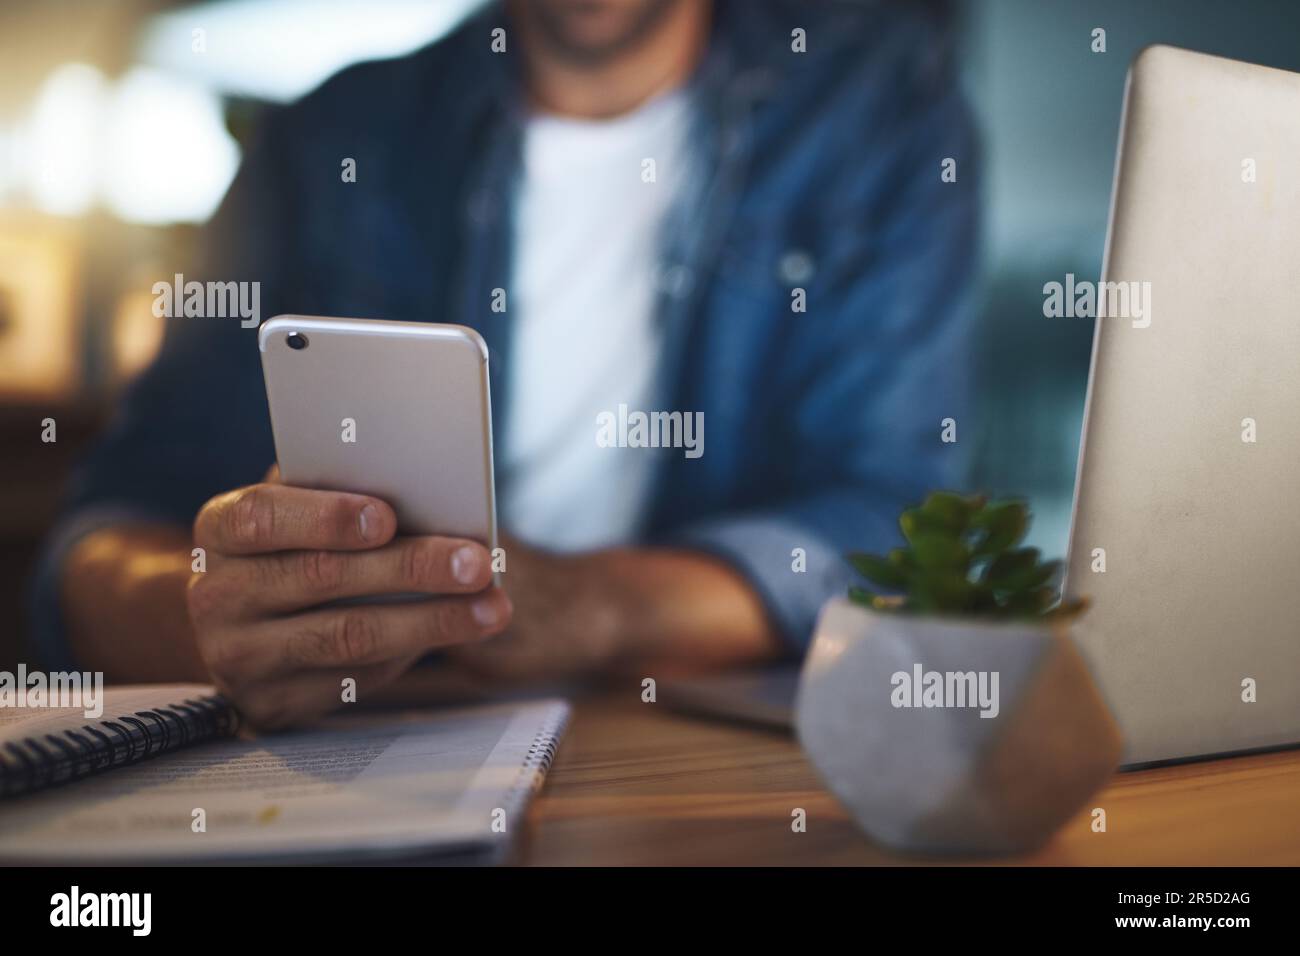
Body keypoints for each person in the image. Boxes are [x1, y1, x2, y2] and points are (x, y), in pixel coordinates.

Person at [32, 0, 979, 727]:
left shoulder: (879, 122)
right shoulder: (326, 139)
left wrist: (595, 605)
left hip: (690, 751)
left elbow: (884, 528)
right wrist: (207, 611)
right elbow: (98, 538)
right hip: (369, 748)